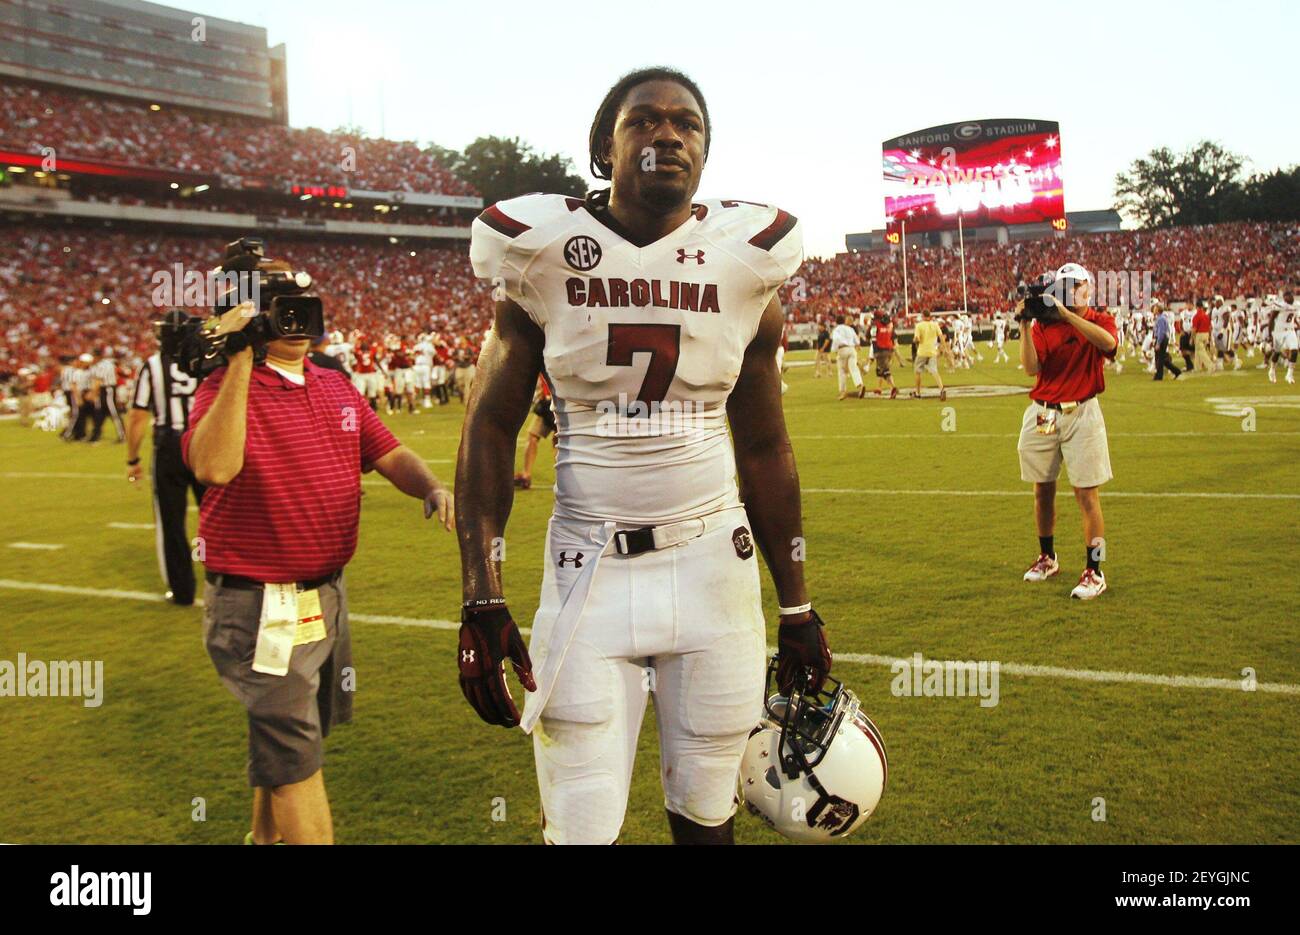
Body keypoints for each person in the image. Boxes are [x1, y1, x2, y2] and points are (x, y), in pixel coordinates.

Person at [459, 66, 830, 845]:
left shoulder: (744, 261)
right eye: (645, 120)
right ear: (605, 147)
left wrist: (796, 603)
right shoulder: (542, 253)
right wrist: (481, 593)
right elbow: (489, 428)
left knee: (707, 816)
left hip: (713, 567)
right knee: (582, 824)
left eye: (687, 124)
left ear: (705, 150)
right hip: (588, 569)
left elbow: (765, 446)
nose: (668, 134)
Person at [184, 247, 455, 845]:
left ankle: (261, 840)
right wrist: (234, 361)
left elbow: (387, 452)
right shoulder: (226, 387)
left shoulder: (334, 384)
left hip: (323, 593)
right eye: (282, 311)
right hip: (261, 603)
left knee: (289, 739)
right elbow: (214, 467)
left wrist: (431, 487)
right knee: (297, 759)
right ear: (249, 317)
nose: (299, 323)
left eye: (304, 308)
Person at [1015, 263, 1117, 600]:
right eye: (1063, 286)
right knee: (1041, 489)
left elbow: (1108, 345)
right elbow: (1032, 368)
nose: (1068, 291)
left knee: (1087, 495)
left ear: (1086, 287)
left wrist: (1069, 315)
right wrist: (1025, 325)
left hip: (1082, 411)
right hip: (1044, 412)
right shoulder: (1045, 326)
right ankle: (1048, 557)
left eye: (1074, 285)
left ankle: (1095, 570)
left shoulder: (1098, 319)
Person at [126, 311, 205, 605]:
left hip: (170, 446)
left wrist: (132, 459)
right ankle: (226, 578)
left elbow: (137, 416)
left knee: (172, 522)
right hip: (204, 443)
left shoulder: (153, 366)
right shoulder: (205, 361)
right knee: (218, 517)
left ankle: (183, 590)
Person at [911, 309, 947, 400]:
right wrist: (945, 348)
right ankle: (942, 389)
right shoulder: (935, 325)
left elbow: (917, 339)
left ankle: (918, 393)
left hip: (922, 351)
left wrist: (915, 341)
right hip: (932, 351)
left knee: (917, 371)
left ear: (923, 316)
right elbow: (941, 337)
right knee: (934, 371)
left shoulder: (919, 326)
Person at [830, 314, 865, 399]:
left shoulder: (836, 330)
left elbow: (836, 340)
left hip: (842, 349)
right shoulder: (850, 329)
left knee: (842, 371)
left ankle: (842, 391)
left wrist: (833, 350)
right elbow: (857, 341)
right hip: (852, 349)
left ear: (836, 322)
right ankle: (860, 385)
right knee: (854, 369)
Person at [872, 311, 899, 398]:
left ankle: (893, 387)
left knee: (885, 370)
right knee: (879, 369)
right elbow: (893, 335)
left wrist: (875, 351)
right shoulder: (889, 324)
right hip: (889, 348)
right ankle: (879, 388)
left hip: (880, 349)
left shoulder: (876, 325)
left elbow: (871, 337)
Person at [1152, 302, 1181, 381]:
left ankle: (1159, 375)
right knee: (1162, 358)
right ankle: (1176, 371)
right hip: (1162, 339)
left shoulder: (1161, 319)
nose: (1153, 309)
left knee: (1159, 358)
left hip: (1161, 339)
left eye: (1155, 308)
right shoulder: (1161, 317)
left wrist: (1158, 343)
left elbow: (1161, 332)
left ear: (1158, 310)